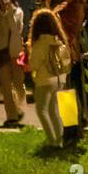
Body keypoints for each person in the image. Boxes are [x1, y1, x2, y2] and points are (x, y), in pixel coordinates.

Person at [25, 9, 71, 148]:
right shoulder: (58, 41)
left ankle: (52, 140)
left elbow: (34, 64)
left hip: (45, 79)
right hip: (60, 79)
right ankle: (59, 138)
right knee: (54, 110)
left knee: (42, 110)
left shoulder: (40, 43)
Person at [55, 0, 88, 146]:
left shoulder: (74, 9)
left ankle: (72, 130)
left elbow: (65, 29)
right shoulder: (68, 8)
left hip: (71, 56)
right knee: (67, 92)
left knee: (69, 92)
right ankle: (71, 128)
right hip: (68, 56)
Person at [0, 0, 26, 125]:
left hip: (15, 51)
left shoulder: (18, 12)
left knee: (18, 84)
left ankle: (17, 108)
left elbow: (17, 30)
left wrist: (9, 13)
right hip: (1, 51)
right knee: (6, 85)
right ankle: (11, 116)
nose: (3, 0)